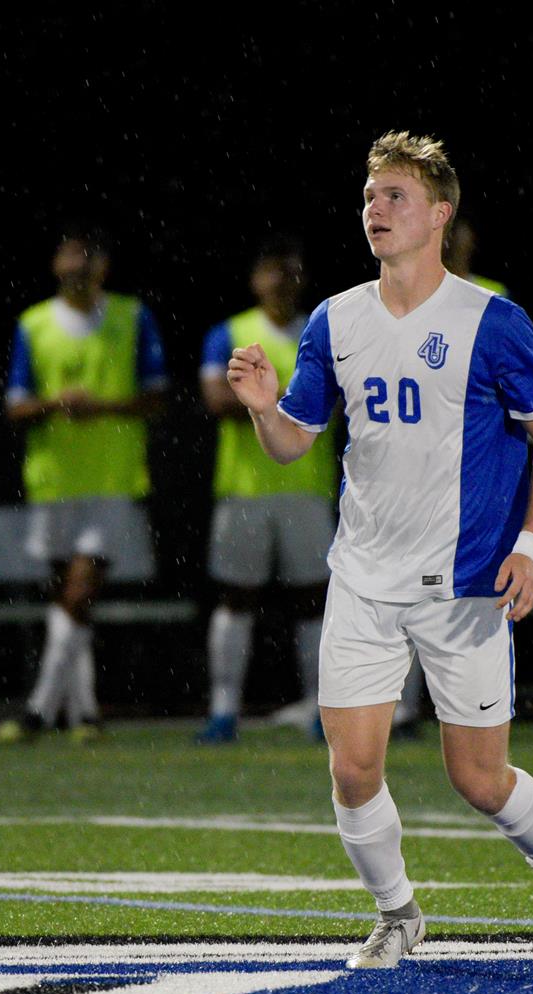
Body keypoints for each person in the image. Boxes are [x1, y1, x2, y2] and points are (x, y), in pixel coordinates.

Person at [224, 131, 533, 968]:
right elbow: (292, 443)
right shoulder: (336, 318)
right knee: (352, 771)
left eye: (395, 196)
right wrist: (262, 407)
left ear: (439, 215)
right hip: (363, 578)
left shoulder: (491, 320)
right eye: (369, 197)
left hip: (465, 584)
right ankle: (398, 914)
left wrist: (529, 546)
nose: (376, 210)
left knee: (479, 781)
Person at [0, 223, 167, 744]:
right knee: (68, 607)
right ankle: (86, 713)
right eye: (71, 255)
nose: (79, 265)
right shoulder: (34, 323)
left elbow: (157, 397)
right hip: (53, 482)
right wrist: (55, 404)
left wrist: (102, 406)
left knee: (76, 596)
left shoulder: (132, 317)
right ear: (56, 265)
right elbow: (15, 405)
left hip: (111, 481)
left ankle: (38, 710)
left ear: (103, 267)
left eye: (89, 256)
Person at [197, 239, 337, 744]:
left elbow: (337, 400)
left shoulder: (320, 331)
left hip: (306, 486)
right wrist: (288, 400)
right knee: (235, 598)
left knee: (315, 601)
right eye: (274, 272)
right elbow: (218, 399)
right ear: (256, 280)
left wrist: (261, 398)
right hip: (245, 490)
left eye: (291, 273)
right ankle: (223, 712)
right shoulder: (230, 334)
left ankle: (323, 711)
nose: (282, 282)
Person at [443, 216, 508, 296]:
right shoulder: (431, 288)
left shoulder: (493, 292)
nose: (456, 253)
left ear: (471, 246)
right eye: (453, 245)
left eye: (461, 246)